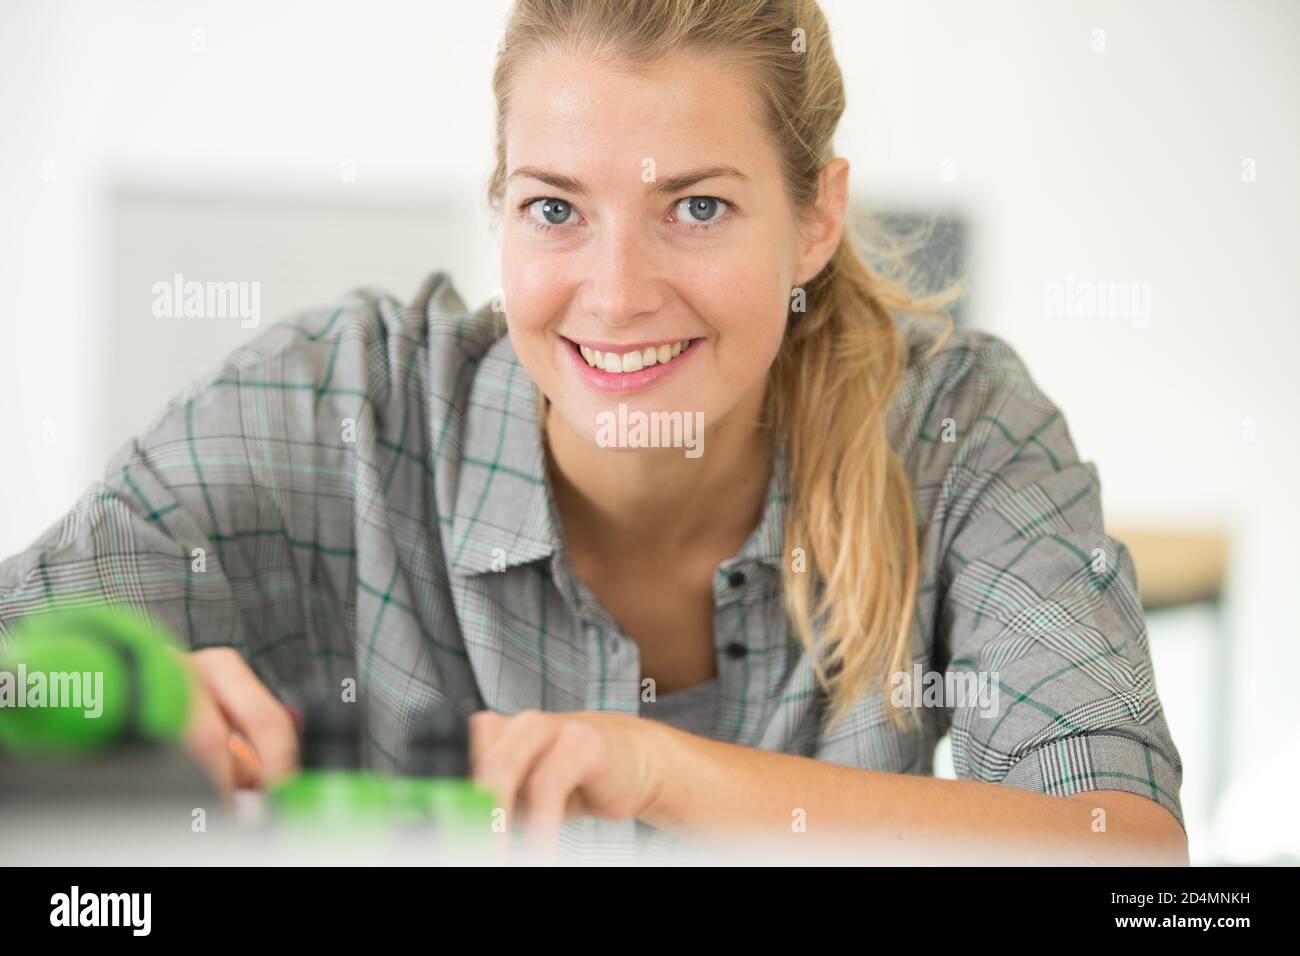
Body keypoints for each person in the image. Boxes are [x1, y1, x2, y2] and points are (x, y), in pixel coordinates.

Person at [0, 0, 1186, 864]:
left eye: (698, 206)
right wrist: (118, 700)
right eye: (555, 208)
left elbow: (1128, 858)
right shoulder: (336, 408)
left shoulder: (957, 431)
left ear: (816, 218)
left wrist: (658, 771)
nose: (614, 293)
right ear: (500, 206)